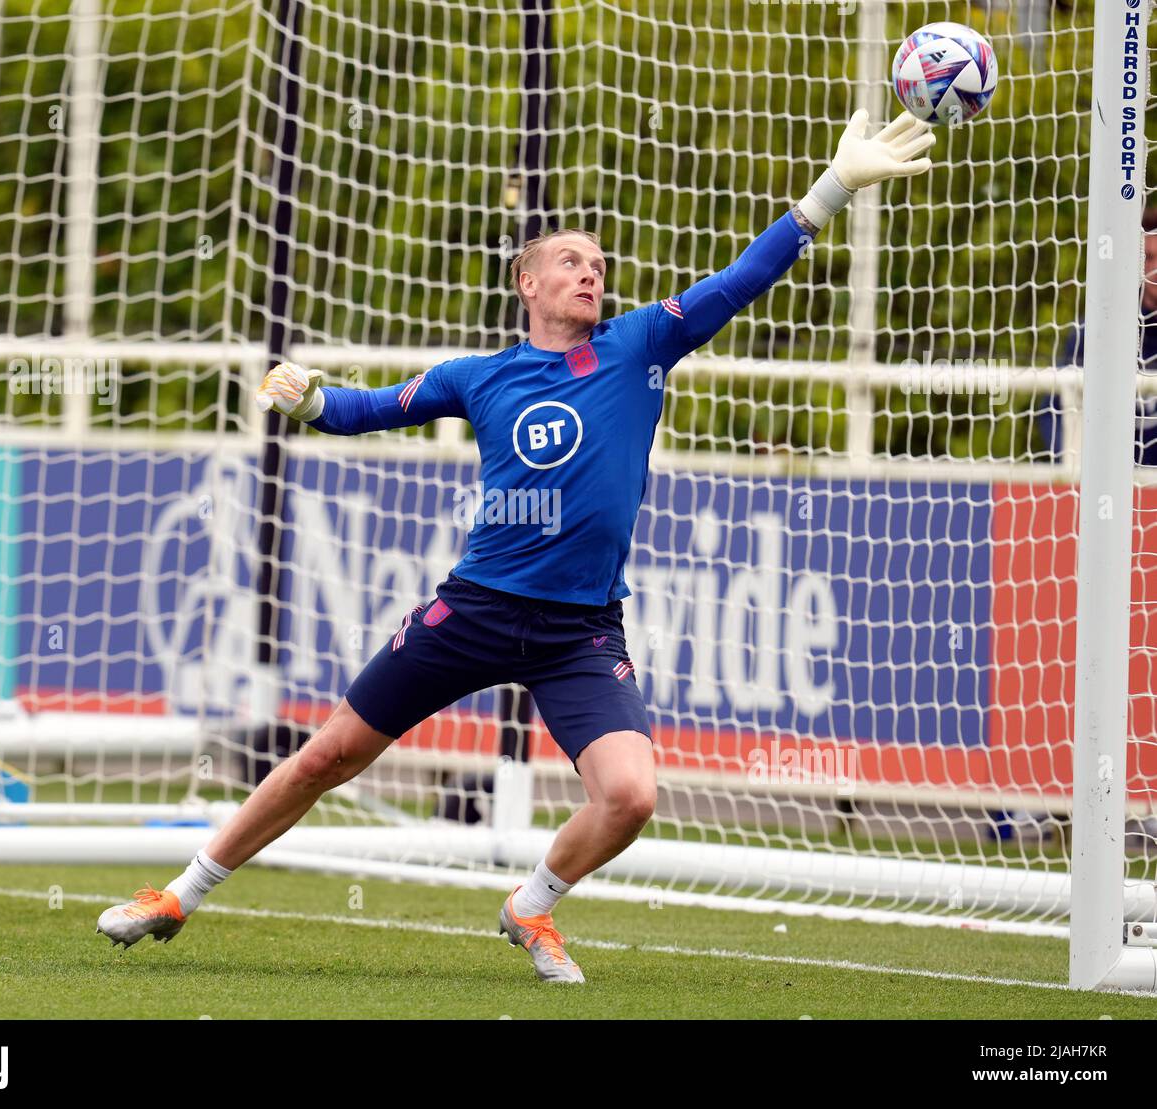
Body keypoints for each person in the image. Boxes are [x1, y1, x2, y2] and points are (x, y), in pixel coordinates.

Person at [95, 111, 937, 982]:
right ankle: (178, 894)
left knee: (632, 796)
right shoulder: (481, 374)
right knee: (330, 753)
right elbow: (367, 408)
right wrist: (307, 398)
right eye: (571, 261)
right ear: (527, 284)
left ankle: (532, 905)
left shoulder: (641, 344)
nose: (591, 273)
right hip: (477, 608)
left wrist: (829, 191)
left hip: (581, 632)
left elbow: (738, 281)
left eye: (599, 265)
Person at [1035, 205, 1157, 464]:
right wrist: (1073, 465)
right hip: (1112, 486)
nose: (1155, 269)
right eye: (1148, 257)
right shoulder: (1099, 331)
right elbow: (1053, 408)